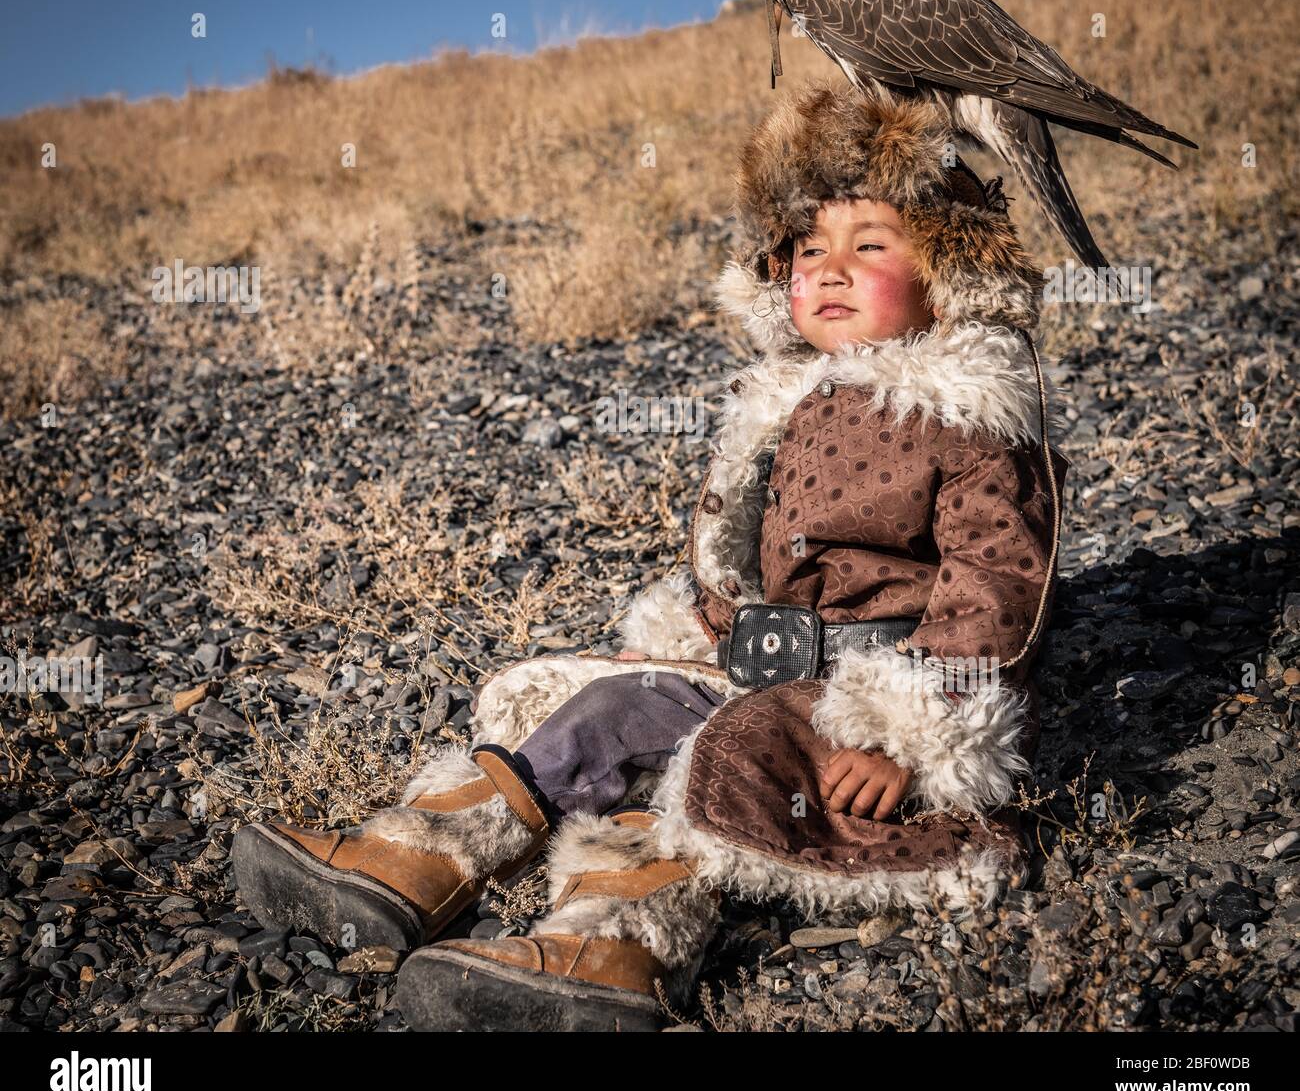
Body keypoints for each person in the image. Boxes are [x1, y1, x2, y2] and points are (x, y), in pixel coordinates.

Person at [232, 79, 1068, 1031]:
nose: (829, 268)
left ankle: (611, 949)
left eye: (870, 245)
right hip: (756, 662)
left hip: (863, 695)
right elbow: (736, 552)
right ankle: (419, 856)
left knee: (718, 766)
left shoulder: (972, 416)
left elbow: (996, 582)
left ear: (946, 270)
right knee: (612, 712)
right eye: (807, 248)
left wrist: (907, 726)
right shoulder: (785, 398)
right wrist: (699, 631)